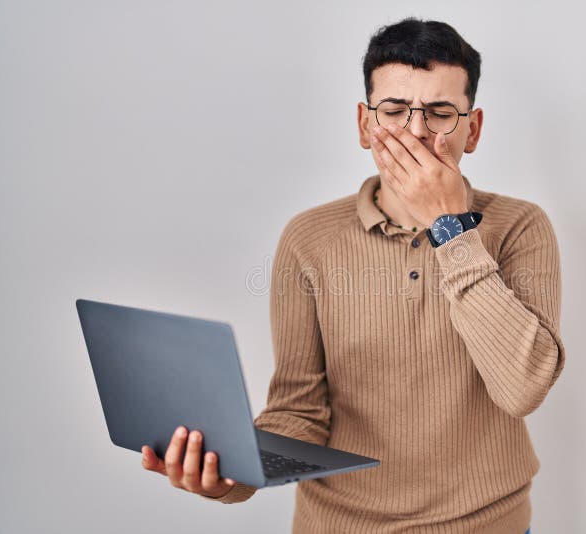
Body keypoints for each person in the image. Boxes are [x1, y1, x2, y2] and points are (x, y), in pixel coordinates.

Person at [141, 17, 563, 534]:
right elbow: (298, 411)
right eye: (394, 111)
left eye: (440, 112)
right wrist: (230, 477)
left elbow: (522, 389)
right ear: (365, 124)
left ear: (472, 129)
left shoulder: (522, 227)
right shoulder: (308, 238)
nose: (415, 133)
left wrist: (450, 230)